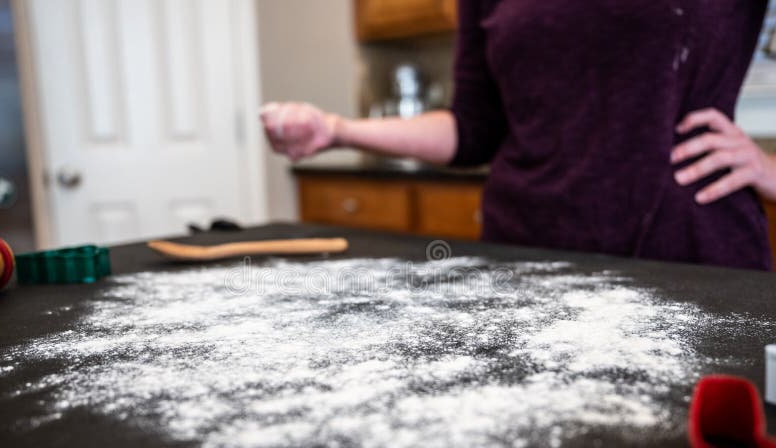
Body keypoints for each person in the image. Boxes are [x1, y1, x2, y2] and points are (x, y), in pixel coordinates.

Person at [260, 1, 776, 270]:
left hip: (685, 253)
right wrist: (339, 131)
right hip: (524, 252)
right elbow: (471, 129)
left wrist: (769, 170)